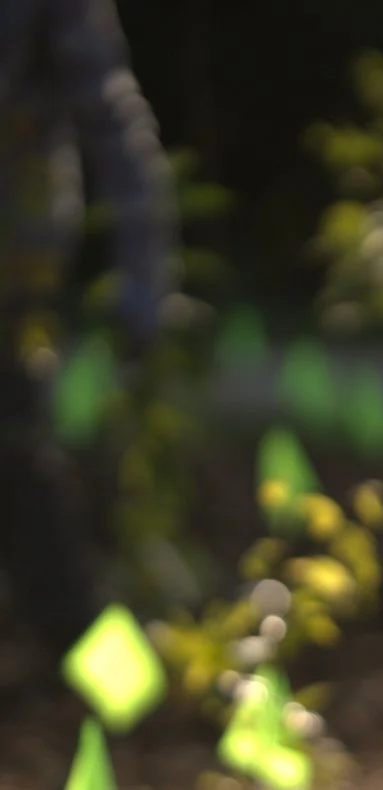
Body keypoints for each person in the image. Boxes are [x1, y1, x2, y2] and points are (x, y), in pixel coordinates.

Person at [0, 0, 172, 660]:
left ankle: (119, 690)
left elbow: (111, 121)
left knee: (19, 463)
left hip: (12, 259)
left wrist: (143, 275)